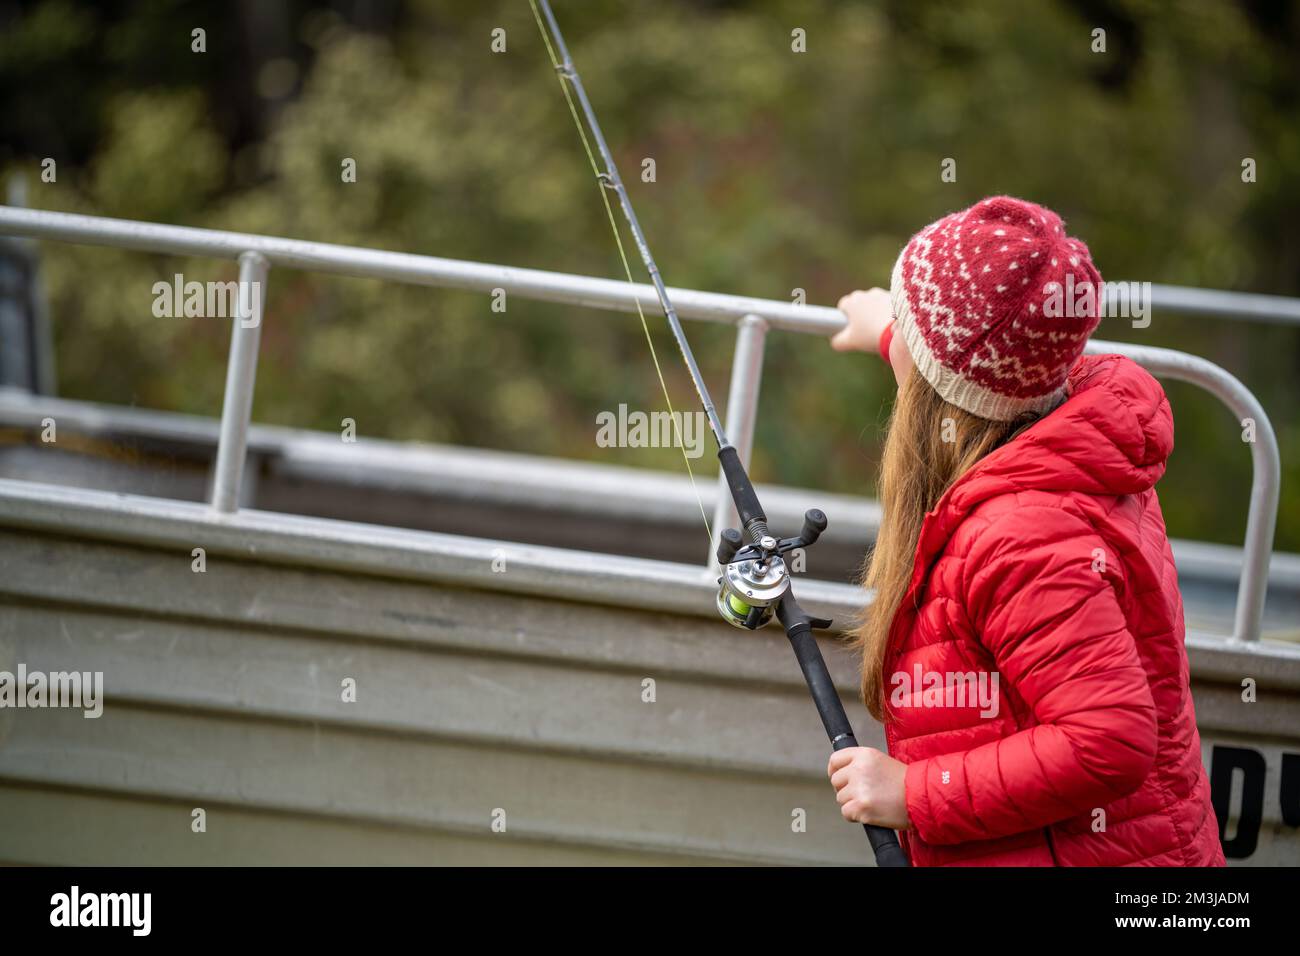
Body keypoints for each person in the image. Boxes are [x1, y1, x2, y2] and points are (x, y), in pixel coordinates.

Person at [825, 196, 1225, 866]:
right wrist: (893, 333)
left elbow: (1110, 740)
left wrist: (918, 793)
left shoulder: (1023, 539)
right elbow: (971, 366)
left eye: (908, 328)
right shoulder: (1068, 437)